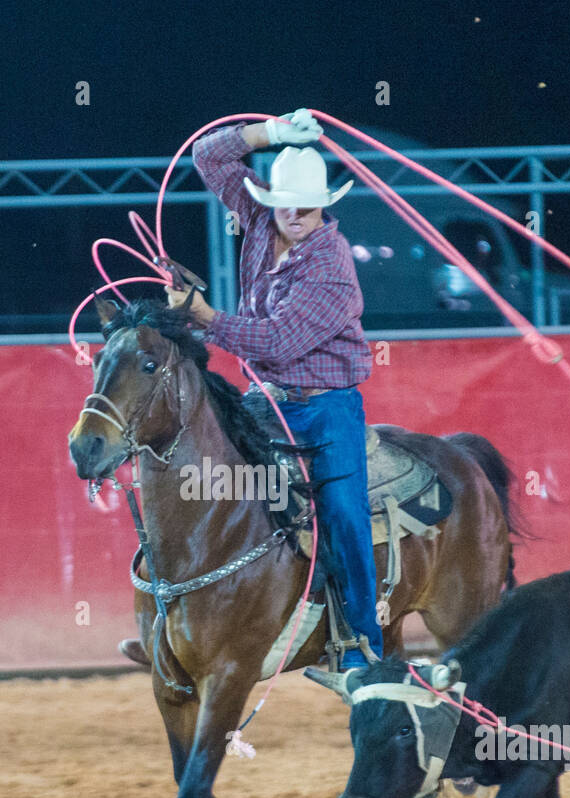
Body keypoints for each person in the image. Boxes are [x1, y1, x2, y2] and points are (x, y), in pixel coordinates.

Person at [122, 108, 382, 672]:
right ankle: (185, 620)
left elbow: (279, 342)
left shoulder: (331, 266)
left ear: (324, 207)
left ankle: (362, 642)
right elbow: (208, 156)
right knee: (204, 481)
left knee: (343, 512)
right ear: (272, 199)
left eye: (306, 206)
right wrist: (272, 133)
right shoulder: (262, 217)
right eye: (285, 201)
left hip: (326, 408)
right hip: (267, 402)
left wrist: (204, 316)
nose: (293, 213)